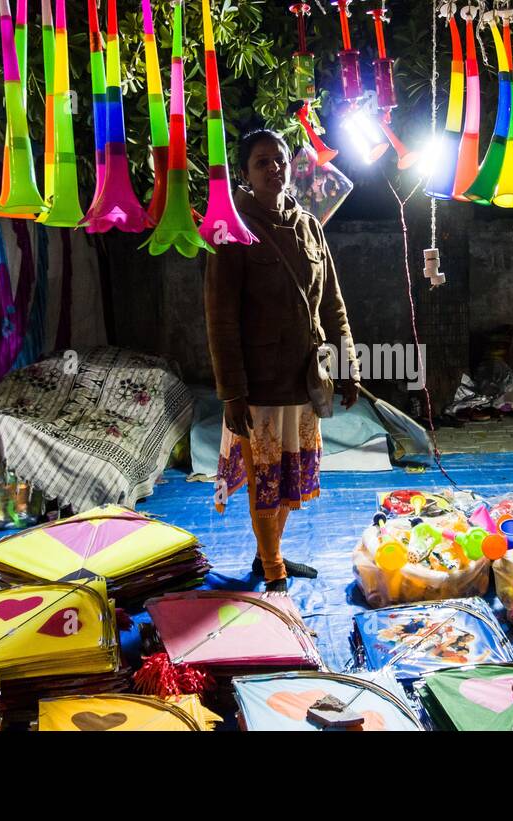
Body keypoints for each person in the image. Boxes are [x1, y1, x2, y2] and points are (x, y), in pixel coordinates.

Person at [204, 130, 360, 594]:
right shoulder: (231, 230)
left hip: (304, 377)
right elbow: (220, 320)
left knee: (290, 473)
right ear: (245, 174)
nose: (274, 168)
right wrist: (232, 393)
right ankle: (273, 570)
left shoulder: (309, 225)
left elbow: (332, 303)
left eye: (280, 160)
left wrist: (348, 366)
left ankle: (267, 551)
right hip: (259, 384)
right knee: (265, 479)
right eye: (261, 162)